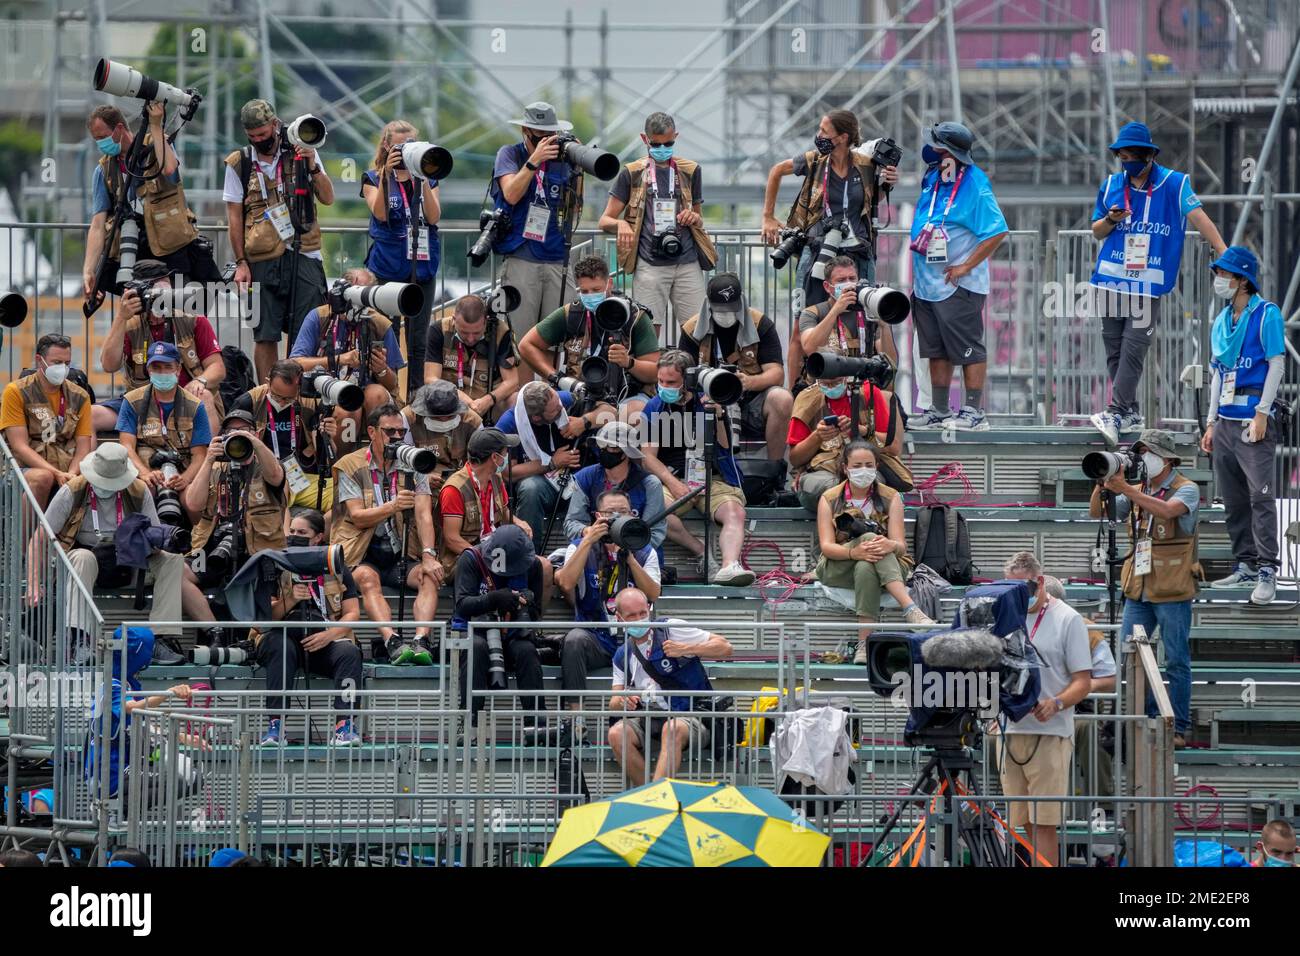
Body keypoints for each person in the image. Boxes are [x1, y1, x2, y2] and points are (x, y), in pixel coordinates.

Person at [1088, 122, 1227, 446]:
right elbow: (1096, 230)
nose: (1127, 160)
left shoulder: (1174, 184)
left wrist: (1224, 253)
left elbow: (1199, 217)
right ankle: (1130, 410)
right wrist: (1110, 219)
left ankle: (1117, 409)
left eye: (1133, 154)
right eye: (1122, 155)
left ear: (1148, 155)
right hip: (1111, 277)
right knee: (1115, 350)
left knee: (1134, 348)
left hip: (1148, 283)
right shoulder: (1111, 185)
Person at [32, 443, 215, 665]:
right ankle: (80, 639)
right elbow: (41, 536)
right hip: (87, 563)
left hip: (130, 561)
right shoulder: (73, 491)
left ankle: (161, 638)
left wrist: (157, 540)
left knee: (172, 560)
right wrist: (35, 581)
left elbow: (154, 536)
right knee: (82, 556)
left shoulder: (138, 491)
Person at [1089, 428, 1200, 748]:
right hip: (1138, 587)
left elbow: (1166, 511)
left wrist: (1126, 488)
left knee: (1176, 659)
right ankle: (1151, 714)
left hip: (1172, 587)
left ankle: (1178, 726)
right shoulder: (1136, 488)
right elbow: (1099, 512)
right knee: (1129, 655)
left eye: (1148, 453)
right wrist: (1104, 482)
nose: (1143, 459)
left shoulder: (1186, 488)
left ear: (1166, 459)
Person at [224, 98, 334, 384]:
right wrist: (241, 263)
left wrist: (312, 165)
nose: (260, 140)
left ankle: (300, 395)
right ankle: (267, 396)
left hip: (304, 251)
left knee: (306, 331)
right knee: (265, 333)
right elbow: (234, 217)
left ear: (275, 125)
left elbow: (328, 197)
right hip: (261, 257)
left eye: (263, 133)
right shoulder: (240, 162)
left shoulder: (302, 148)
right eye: (253, 136)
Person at [908, 122, 1008, 432]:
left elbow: (998, 231)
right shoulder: (935, 178)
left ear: (948, 152)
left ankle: (974, 411)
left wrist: (965, 266)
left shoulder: (975, 184)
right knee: (935, 349)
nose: (930, 151)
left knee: (967, 348)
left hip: (957, 285)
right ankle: (940, 410)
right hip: (927, 285)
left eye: (936, 147)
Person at [1200, 246, 1286, 606]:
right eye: (1219, 273)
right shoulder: (1221, 321)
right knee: (1234, 500)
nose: (1220, 280)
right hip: (1225, 421)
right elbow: (1219, 372)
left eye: (1226, 274)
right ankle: (1246, 563)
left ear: (1242, 280)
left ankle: (1268, 568)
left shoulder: (1267, 314)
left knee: (1260, 497)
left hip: (1252, 417)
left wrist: (1263, 412)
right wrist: (1210, 422)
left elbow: (1276, 363)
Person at [999, 552, 1093, 868]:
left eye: (1022, 589)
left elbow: (1083, 681)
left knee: (1044, 823)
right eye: (1009, 589)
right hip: (1010, 730)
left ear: (1040, 582)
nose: (1017, 596)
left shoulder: (1069, 619)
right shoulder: (1003, 615)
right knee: (1022, 821)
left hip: (1050, 733)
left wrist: (1056, 703)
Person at [331, 403, 443, 665]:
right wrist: (392, 506)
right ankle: (391, 640)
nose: (396, 438)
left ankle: (420, 641)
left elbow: (424, 513)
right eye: (389, 431)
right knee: (369, 580)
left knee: (430, 576)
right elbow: (357, 517)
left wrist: (428, 554)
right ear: (371, 431)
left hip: (401, 551)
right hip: (361, 551)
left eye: (401, 432)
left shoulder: (414, 461)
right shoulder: (349, 465)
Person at [82, 102, 219, 307]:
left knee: (179, 311)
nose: (100, 144)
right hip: (134, 257)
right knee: (140, 313)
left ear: (119, 128)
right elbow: (97, 225)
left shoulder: (156, 145)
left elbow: (170, 169)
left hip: (172, 251)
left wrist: (156, 124)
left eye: (102, 137)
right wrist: (89, 270)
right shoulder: (103, 170)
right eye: (96, 140)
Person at [760, 109, 899, 305]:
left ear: (843, 137)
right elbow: (777, 170)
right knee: (807, 313)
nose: (819, 136)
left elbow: (871, 199)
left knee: (859, 311)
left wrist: (888, 183)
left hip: (856, 248)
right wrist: (768, 217)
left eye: (824, 131)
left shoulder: (866, 165)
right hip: (817, 245)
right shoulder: (814, 161)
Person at [640, 350, 754, 585]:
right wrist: (674, 484)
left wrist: (719, 414)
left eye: (670, 382)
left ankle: (729, 566)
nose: (664, 386)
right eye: (660, 381)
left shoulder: (713, 397)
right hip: (673, 480)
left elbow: (725, 445)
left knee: (735, 513)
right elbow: (647, 458)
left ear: (688, 379)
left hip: (712, 477)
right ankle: (702, 552)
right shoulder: (654, 406)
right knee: (653, 512)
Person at [814, 441, 934, 662]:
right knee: (868, 541)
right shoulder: (829, 498)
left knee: (866, 567)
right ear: (845, 467)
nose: (863, 470)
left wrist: (891, 545)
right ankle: (910, 609)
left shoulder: (891, 497)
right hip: (839, 565)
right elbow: (827, 547)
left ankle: (863, 646)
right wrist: (853, 553)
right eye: (857, 465)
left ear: (877, 466)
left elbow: (900, 545)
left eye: (869, 465)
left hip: (881, 565)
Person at [598, 111, 716, 332]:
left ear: (676, 137)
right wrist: (622, 224)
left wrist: (693, 217)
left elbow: (699, 219)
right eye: (656, 144)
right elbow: (604, 220)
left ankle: (694, 367)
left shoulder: (691, 170)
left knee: (699, 330)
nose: (662, 149)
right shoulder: (631, 173)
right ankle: (647, 367)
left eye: (668, 143)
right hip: (649, 264)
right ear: (645, 139)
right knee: (648, 331)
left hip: (687, 261)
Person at [555, 489, 663, 726]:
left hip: (635, 637)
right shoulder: (580, 545)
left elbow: (654, 593)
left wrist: (630, 558)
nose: (615, 517)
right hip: (596, 636)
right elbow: (565, 582)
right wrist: (588, 541)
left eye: (622, 512)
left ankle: (639, 722)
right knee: (573, 640)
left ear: (632, 514)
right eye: (609, 513)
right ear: (596, 516)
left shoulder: (644, 549)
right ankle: (576, 719)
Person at [259, 508, 364, 747]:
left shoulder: (337, 566)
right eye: (292, 531)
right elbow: (264, 620)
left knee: (349, 652)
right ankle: (276, 727)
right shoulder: (275, 564)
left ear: (318, 537)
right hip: (284, 640)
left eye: (302, 532)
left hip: (322, 640)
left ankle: (344, 726)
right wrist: (292, 599)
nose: (294, 536)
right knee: (280, 646)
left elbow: (352, 613)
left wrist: (330, 636)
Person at [607, 587, 733, 785]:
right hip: (649, 716)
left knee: (672, 728)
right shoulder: (622, 654)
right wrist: (623, 700)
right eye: (632, 616)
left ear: (650, 609)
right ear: (620, 618)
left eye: (643, 612)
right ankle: (648, 795)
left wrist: (688, 648)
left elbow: (725, 647)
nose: (640, 619)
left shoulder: (671, 628)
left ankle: (658, 799)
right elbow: (614, 701)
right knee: (616, 734)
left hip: (691, 715)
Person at [518, 255, 661, 415]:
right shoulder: (571, 313)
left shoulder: (634, 316)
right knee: (537, 409)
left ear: (609, 284)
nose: (591, 296)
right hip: (579, 392)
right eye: (584, 291)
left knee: (635, 413)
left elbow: (655, 373)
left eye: (596, 290)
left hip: (627, 395)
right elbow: (526, 345)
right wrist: (556, 378)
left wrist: (628, 362)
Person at [95, 258, 225, 432]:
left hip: (186, 396)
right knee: (92, 415)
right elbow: (109, 365)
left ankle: (209, 457)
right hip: (142, 399)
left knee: (206, 396)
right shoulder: (129, 324)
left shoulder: (193, 320)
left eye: (166, 288)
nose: (163, 296)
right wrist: (121, 317)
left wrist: (200, 381)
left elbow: (217, 367)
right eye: (156, 291)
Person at [676, 272, 793, 461]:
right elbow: (682, 374)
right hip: (707, 400)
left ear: (741, 301)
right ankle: (697, 468)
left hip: (751, 401)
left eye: (731, 308)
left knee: (782, 398)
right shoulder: (692, 329)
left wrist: (748, 382)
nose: (726, 314)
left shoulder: (760, 324)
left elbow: (777, 373)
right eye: (720, 309)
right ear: (708, 304)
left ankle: (775, 469)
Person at [492, 102, 583, 343]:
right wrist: (534, 161)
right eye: (540, 137)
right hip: (521, 255)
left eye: (551, 136)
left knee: (555, 340)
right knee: (521, 340)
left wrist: (578, 164)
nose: (547, 142)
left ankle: (549, 382)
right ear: (525, 131)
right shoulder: (510, 154)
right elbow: (511, 193)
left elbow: (575, 206)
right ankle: (525, 384)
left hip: (555, 255)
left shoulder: (562, 161)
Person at [361, 120, 441, 395]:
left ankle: (417, 397)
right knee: (388, 336)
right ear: (386, 145)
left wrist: (422, 176)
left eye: (411, 146)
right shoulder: (372, 177)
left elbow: (434, 216)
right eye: (400, 146)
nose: (405, 152)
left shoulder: (428, 177)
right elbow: (380, 213)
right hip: (388, 267)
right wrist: (386, 175)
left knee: (419, 338)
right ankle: (390, 396)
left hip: (422, 267)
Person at [494, 380, 613, 550]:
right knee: (530, 489)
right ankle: (529, 554)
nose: (561, 409)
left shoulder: (560, 400)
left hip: (579, 478)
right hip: (544, 484)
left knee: (604, 478)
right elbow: (507, 473)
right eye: (555, 410)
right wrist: (551, 463)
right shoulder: (510, 423)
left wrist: (584, 421)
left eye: (559, 403)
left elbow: (612, 412)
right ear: (536, 417)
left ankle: (602, 552)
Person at [452, 524, 546, 727]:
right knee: (475, 648)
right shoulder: (471, 558)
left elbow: (536, 612)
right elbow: (462, 604)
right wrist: (493, 599)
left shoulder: (533, 565)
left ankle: (537, 725)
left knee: (528, 651)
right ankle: (469, 722)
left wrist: (527, 602)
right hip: (476, 629)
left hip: (513, 631)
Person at [183, 409, 287, 589]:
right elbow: (193, 504)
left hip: (258, 550)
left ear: (257, 432)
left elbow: (276, 476)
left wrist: (254, 443)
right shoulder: (215, 468)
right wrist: (208, 460)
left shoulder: (267, 466)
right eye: (230, 431)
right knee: (176, 574)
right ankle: (209, 618)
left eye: (244, 429)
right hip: (214, 548)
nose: (237, 434)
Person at [289, 266, 405, 425]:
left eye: (365, 296)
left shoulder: (379, 324)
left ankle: (376, 447)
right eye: (356, 295)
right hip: (325, 386)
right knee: (348, 407)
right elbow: (295, 364)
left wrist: (382, 369)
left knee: (376, 394)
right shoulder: (319, 316)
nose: (358, 304)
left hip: (365, 389)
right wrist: (341, 359)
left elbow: (393, 384)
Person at [788, 367, 907, 511]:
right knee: (832, 489)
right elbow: (795, 459)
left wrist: (861, 431)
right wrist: (817, 436)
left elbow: (893, 447)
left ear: (847, 377)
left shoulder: (868, 392)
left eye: (836, 382)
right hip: (822, 470)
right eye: (825, 384)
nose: (831, 388)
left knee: (868, 485)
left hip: (862, 466)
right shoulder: (806, 398)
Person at [230, 360, 337, 520]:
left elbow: (326, 457)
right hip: (263, 475)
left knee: (343, 497)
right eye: (276, 396)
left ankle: (316, 537)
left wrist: (329, 437)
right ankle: (286, 540)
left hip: (302, 478)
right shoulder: (249, 402)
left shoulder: (310, 402)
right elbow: (228, 444)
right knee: (279, 482)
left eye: (288, 399)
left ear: (298, 388)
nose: (281, 402)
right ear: (267, 382)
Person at [1, 332, 93, 508]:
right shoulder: (16, 391)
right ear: (39, 360)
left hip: (66, 467)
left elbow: (83, 448)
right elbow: (19, 447)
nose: (63, 368)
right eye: (57, 363)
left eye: (67, 363)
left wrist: (71, 475)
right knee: (43, 477)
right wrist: (55, 473)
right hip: (21, 469)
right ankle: (26, 536)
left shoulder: (80, 396)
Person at [788, 255, 899, 393]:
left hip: (863, 387)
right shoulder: (812, 313)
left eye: (852, 278)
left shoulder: (869, 311)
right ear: (827, 287)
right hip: (825, 388)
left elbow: (890, 364)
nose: (849, 284)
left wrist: (884, 326)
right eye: (841, 280)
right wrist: (835, 311)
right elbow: (811, 347)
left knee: (888, 396)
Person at [116, 342, 211, 499]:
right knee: (142, 492)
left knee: (192, 501)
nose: (163, 372)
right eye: (157, 368)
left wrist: (185, 479)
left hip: (183, 471)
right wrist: (145, 474)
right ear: (149, 370)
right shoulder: (132, 401)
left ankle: (198, 525)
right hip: (146, 472)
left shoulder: (195, 406)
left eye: (168, 367)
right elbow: (126, 446)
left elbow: (200, 455)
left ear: (178, 369)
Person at [438, 427, 531, 576]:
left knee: (542, 566)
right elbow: (452, 539)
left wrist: (518, 522)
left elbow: (504, 510)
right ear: (495, 457)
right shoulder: (454, 489)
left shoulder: (496, 477)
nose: (506, 456)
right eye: (505, 452)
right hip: (463, 557)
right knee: (511, 572)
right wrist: (487, 560)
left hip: (494, 548)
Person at [562, 421, 666, 550]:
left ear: (626, 452)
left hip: (639, 557)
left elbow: (655, 531)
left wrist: (629, 547)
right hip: (596, 553)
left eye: (611, 446)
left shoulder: (650, 484)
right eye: (601, 446)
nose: (604, 451)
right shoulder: (585, 477)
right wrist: (588, 531)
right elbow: (571, 522)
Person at [423, 293, 521, 422]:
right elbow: (430, 378)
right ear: (454, 319)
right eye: (464, 332)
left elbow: (512, 382)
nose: (470, 339)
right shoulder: (438, 330)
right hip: (451, 400)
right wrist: (462, 398)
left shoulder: (500, 331)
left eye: (476, 333)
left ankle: (503, 439)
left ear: (485, 321)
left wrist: (488, 400)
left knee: (516, 400)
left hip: (490, 401)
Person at [400, 379, 481, 498]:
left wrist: (458, 481)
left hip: (462, 482)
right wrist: (421, 477)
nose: (444, 420)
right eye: (437, 417)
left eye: (449, 416)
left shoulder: (472, 421)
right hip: (419, 483)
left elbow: (481, 464)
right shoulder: (407, 418)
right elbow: (400, 459)